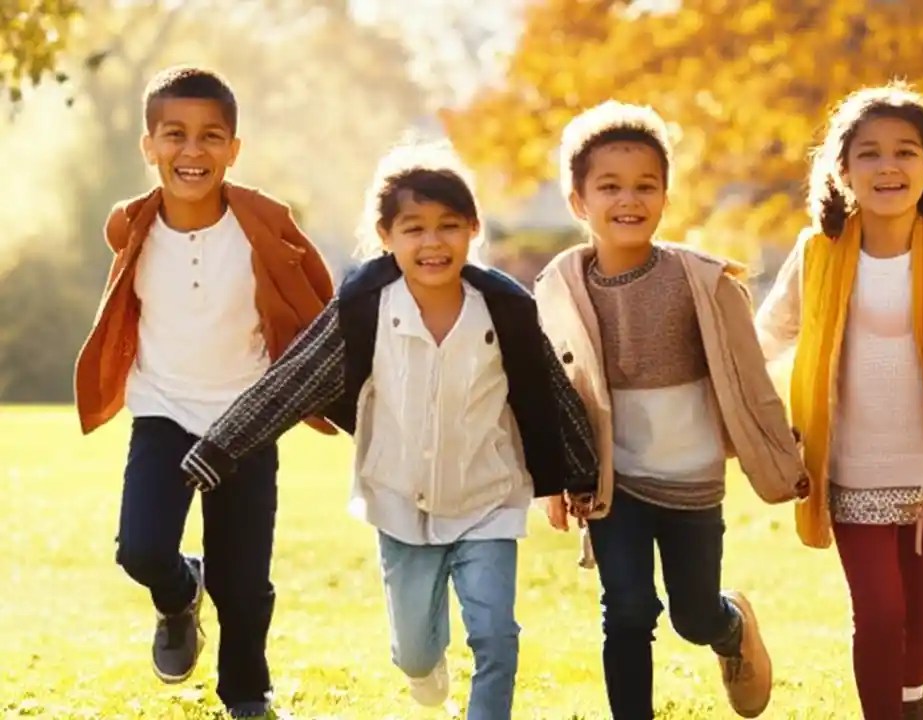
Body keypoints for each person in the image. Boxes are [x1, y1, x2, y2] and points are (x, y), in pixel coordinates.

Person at [179, 142, 598, 720]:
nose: (433, 243)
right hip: (399, 501)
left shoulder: (503, 307)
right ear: (386, 236)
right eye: (414, 228)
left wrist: (579, 475)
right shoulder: (365, 307)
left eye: (450, 226)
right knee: (415, 654)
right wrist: (220, 446)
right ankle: (425, 671)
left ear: (473, 229)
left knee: (496, 637)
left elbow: (550, 391)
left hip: (489, 498)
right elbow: (292, 381)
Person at [73, 65, 335, 719]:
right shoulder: (133, 227)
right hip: (163, 410)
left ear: (234, 149)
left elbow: (314, 301)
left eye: (210, 136)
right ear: (149, 145)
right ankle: (177, 591)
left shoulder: (263, 226)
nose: (192, 152)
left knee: (243, 579)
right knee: (141, 548)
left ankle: (246, 693)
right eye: (174, 135)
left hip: (247, 416)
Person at [533, 100, 808, 719]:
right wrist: (554, 476)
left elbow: (748, 378)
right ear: (578, 202)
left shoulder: (701, 281)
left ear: (665, 196)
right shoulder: (560, 288)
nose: (629, 200)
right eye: (610, 187)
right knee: (626, 609)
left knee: (692, 614)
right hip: (615, 480)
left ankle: (730, 626)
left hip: (692, 478)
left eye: (645, 187)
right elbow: (552, 389)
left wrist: (781, 451)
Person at [754, 82, 923, 720]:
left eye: (905, 152)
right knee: (882, 615)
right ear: (842, 169)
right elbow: (770, 334)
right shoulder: (819, 254)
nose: (888, 166)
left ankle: (909, 693)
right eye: (869, 153)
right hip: (852, 467)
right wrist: (735, 396)